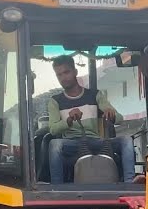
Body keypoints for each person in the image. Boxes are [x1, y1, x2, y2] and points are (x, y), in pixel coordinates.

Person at [46, 55, 136, 184]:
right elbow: (53, 130)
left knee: (126, 140)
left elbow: (120, 119)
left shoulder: (95, 95)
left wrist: (111, 114)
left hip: (96, 141)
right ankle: (57, 187)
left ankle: (129, 183)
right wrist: (69, 120)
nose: (63, 78)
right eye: (59, 75)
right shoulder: (55, 101)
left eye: (66, 72)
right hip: (72, 144)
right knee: (55, 144)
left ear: (75, 72)